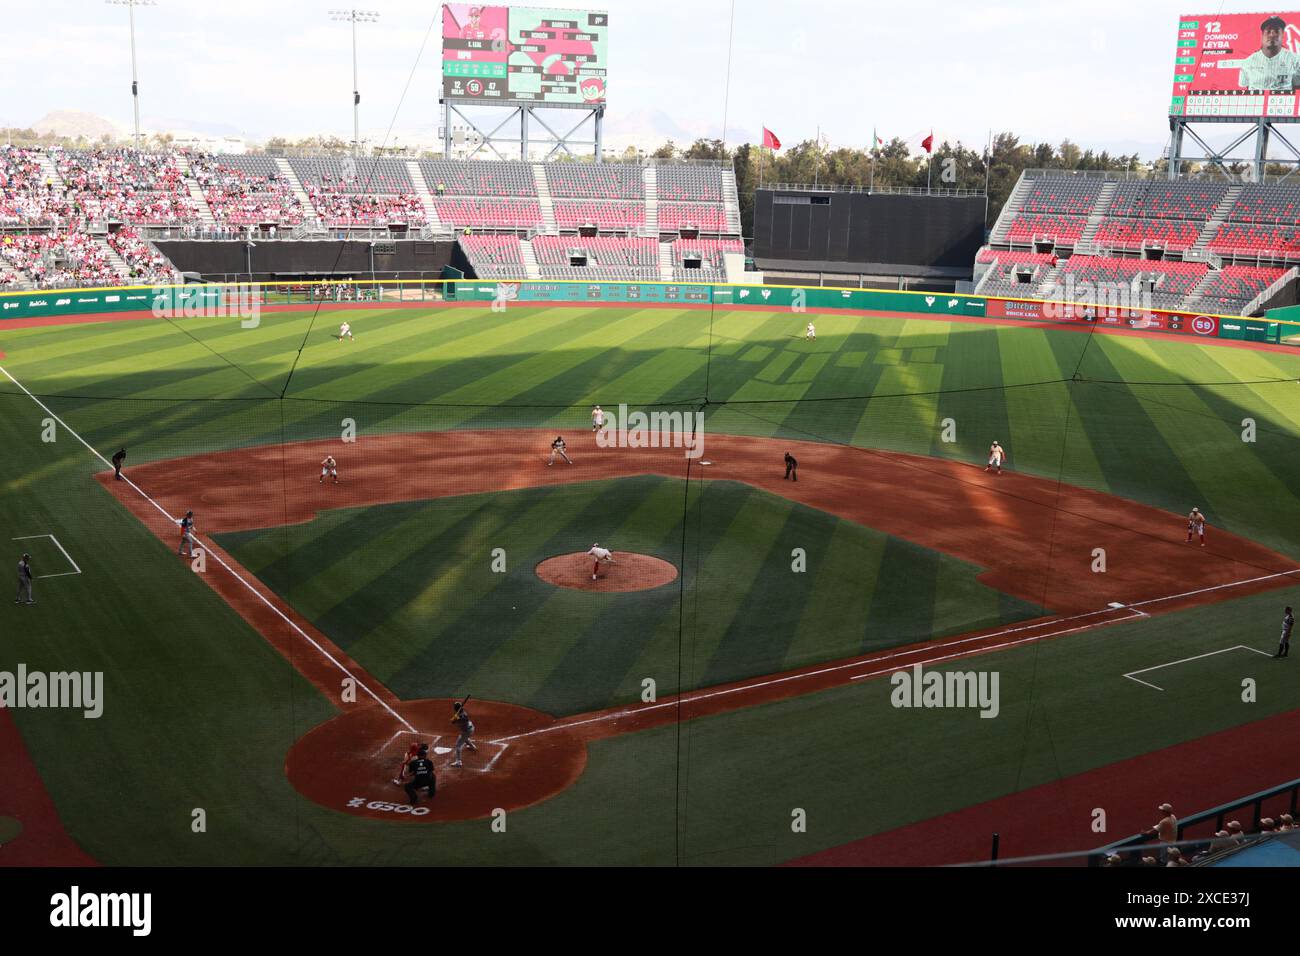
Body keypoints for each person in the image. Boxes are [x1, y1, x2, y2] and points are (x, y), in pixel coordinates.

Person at [1238, 16, 1300, 91]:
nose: (1272, 35)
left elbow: (1297, 90)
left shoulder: (1295, 60)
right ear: (1262, 35)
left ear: (1283, 34)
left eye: (1276, 31)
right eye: (1268, 31)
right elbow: (1247, 90)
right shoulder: (1248, 62)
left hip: (1282, 102)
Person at [450, 700, 477, 768]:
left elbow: (452, 722)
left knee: (458, 746)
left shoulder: (461, 716)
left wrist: (454, 718)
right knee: (464, 738)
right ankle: (472, 747)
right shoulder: (463, 713)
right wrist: (456, 717)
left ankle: (458, 762)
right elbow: (456, 718)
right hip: (470, 728)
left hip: (466, 731)